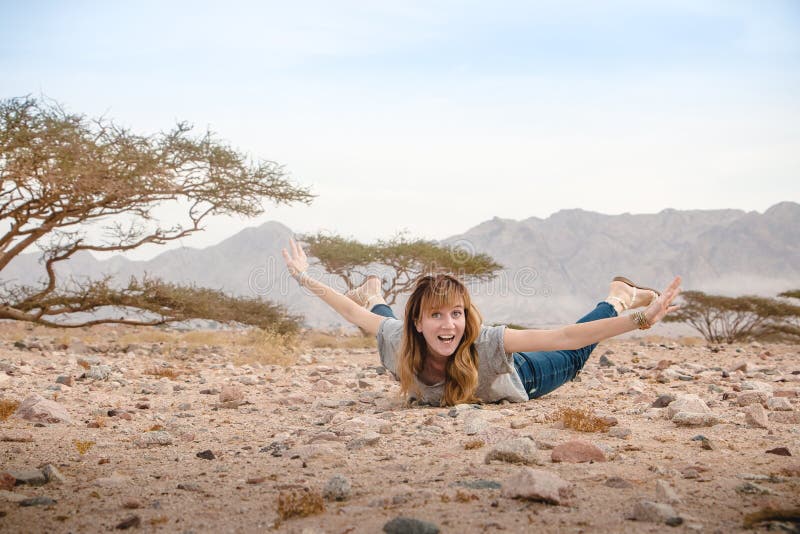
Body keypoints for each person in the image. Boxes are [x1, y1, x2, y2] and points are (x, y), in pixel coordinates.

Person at [282, 238, 681, 406]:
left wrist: (639, 318)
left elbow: (565, 334)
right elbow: (353, 313)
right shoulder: (400, 339)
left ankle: (617, 294)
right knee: (381, 319)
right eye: (436, 315)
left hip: (524, 375)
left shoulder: (488, 342)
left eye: (456, 313)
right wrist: (302, 276)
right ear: (418, 323)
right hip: (401, 325)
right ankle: (377, 295)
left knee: (574, 356)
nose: (449, 324)